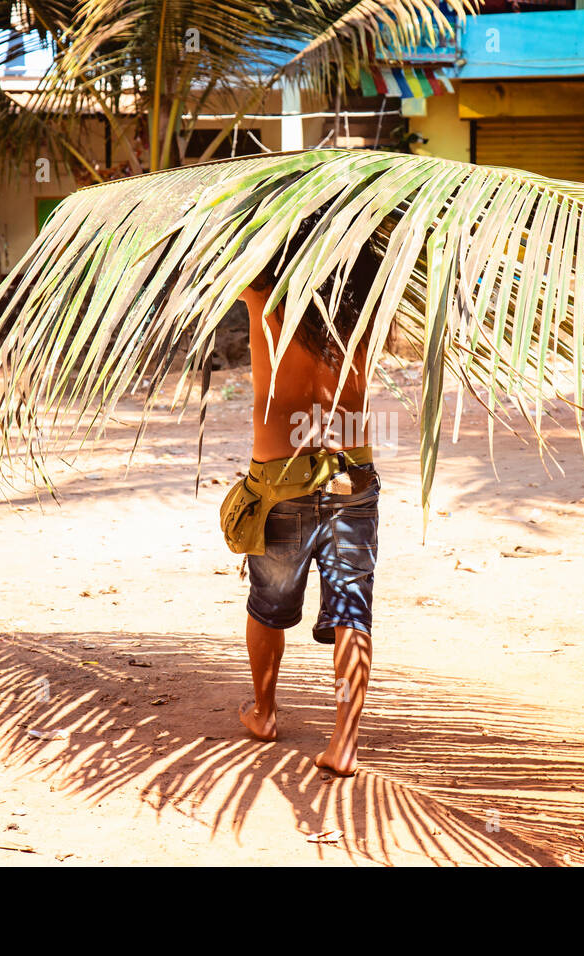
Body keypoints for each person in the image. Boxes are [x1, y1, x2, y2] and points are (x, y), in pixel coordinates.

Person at [229, 217, 384, 777]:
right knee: (352, 611)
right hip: (351, 480)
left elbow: (209, 255)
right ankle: (344, 741)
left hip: (280, 484)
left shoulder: (262, 295)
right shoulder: (368, 302)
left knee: (267, 607)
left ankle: (266, 713)